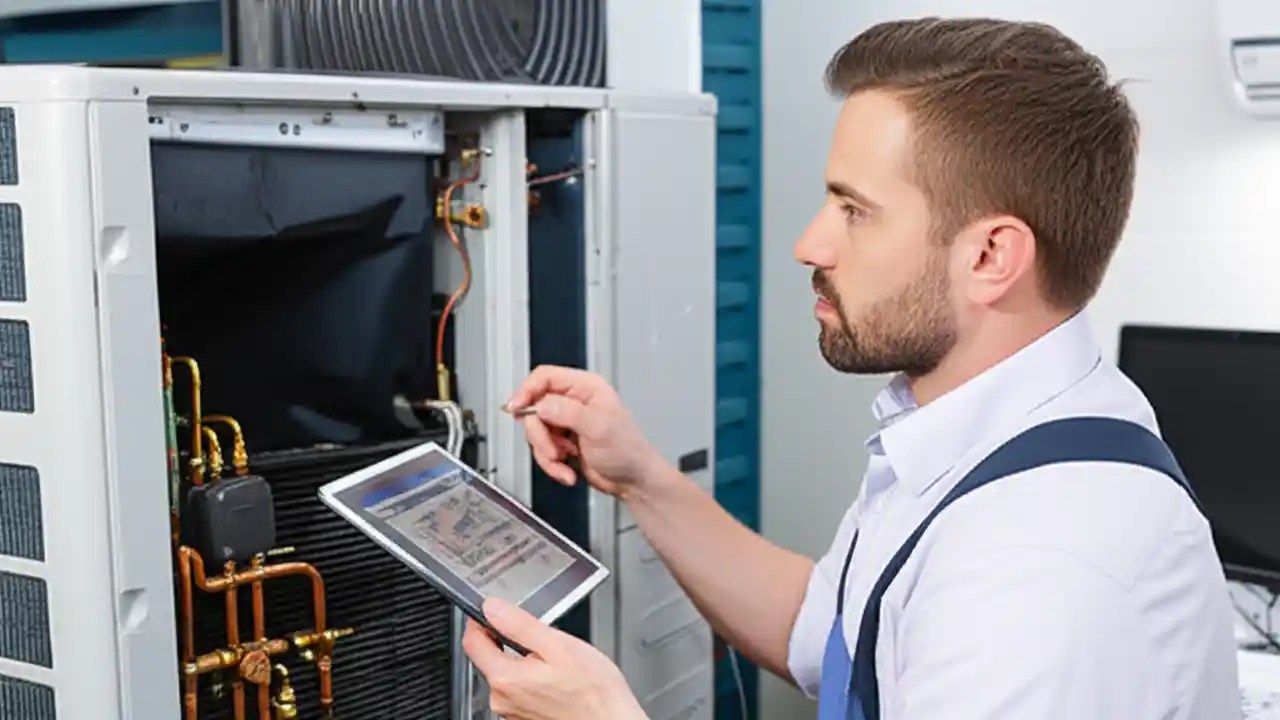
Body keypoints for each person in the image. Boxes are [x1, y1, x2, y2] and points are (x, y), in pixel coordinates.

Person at [461, 16, 1240, 720]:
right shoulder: (992, 430)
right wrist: (640, 478)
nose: (810, 243)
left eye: (854, 209)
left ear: (991, 256)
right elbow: (833, 633)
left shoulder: (1043, 570)